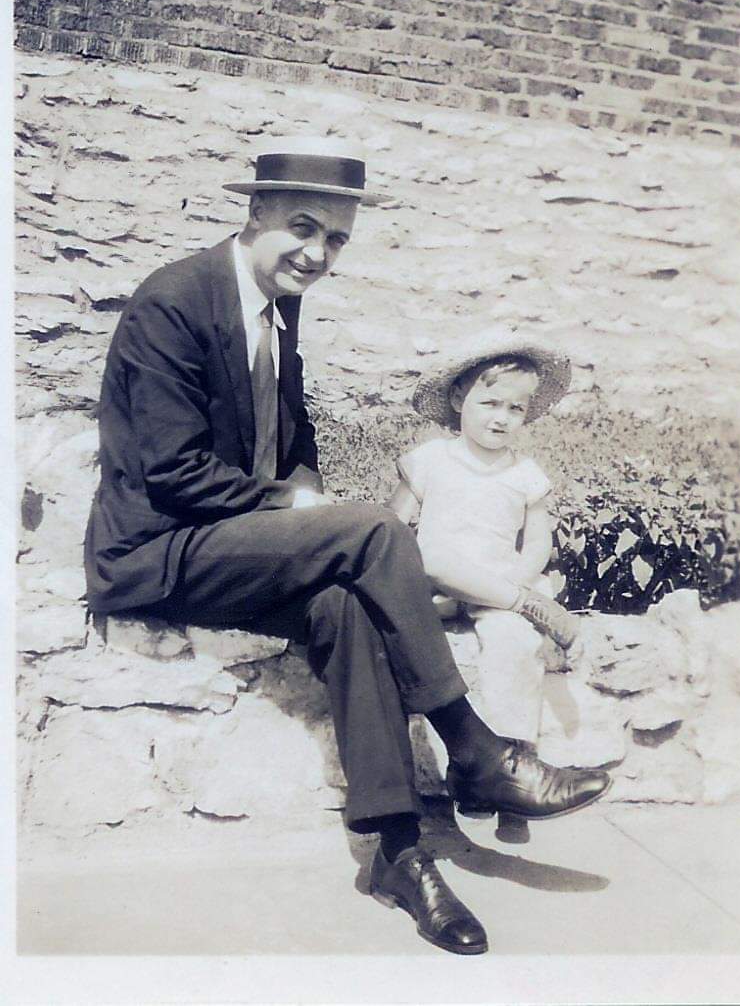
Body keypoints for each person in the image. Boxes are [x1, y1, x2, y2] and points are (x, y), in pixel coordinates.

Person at [85, 139, 610, 957]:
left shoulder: (277, 305)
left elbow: (292, 437)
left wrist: (302, 498)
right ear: (255, 212)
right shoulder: (175, 303)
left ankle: (398, 852)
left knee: (347, 602)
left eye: (335, 239)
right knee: (369, 527)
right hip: (159, 550)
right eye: (302, 228)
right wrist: (299, 507)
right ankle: (474, 749)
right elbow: (171, 469)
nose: (317, 253)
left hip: (232, 543)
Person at [389, 333, 583, 808]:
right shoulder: (430, 460)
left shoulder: (524, 473)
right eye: (490, 403)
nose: (502, 417)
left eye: (516, 409)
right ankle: (526, 604)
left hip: (498, 586)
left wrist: (517, 580)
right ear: (459, 400)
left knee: (514, 642)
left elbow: (538, 542)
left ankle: (513, 759)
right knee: (430, 555)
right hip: (436, 585)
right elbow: (391, 527)